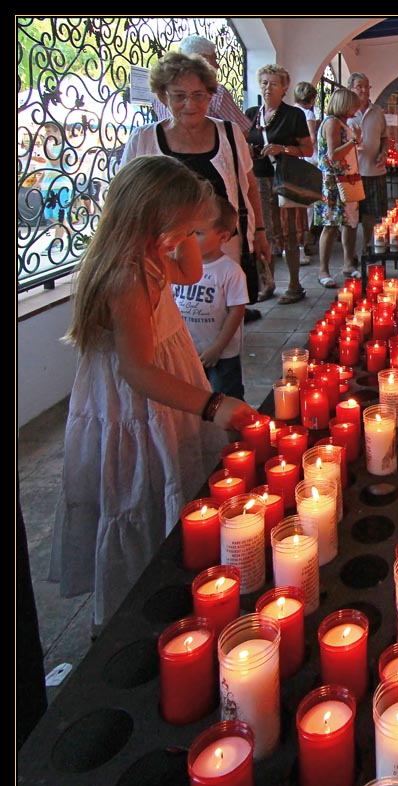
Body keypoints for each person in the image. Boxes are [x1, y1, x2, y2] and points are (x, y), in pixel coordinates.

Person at [49, 156, 257, 635]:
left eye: (192, 230)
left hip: (167, 382)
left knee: (171, 474)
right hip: (136, 401)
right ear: (151, 220)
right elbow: (137, 371)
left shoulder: (153, 254)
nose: (191, 238)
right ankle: (125, 613)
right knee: (139, 487)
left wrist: (185, 230)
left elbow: (190, 273)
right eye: (183, 227)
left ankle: (168, 574)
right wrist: (211, 404)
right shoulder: (127, 276)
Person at [121, 52, 270, 313]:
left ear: (210, 96)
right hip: (165, 253)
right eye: (179, 96)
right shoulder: (143, 140)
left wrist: (259, 232)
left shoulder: (230, 133)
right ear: (163, 96)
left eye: (199, 95)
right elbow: (124, 200)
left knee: (225, 318)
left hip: (225, 247)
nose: (190, 104)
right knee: (171, 321)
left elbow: (249, 187)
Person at [246, 64, 313, 304]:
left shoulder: (293, 115)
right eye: (264, 82)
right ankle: (268, 282)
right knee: (265, 231)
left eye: (274, 84)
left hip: (285, 178)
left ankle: (295, 285)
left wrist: (282, 148)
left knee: (289, 231)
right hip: (259, 180)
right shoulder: (252, 113)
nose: (268, 88)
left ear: (284, 88)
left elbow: (308, 149)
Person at [172, 197, 248, 400]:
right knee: (194, 398)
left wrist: (217, 348)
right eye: (187, 231)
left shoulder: (229, 271)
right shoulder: (177, 267)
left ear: (223, 236)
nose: (187, 239)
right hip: (189, 351)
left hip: (221, 355)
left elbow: (236, 312)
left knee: (225, 398)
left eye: (197, 233)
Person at [150, 34, 252, 134]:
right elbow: (242, 131)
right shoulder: (217, 92)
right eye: (214, 59)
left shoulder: (159, 92)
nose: (218, 66)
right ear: (202, 59)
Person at [314, 87, 364, 287]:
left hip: (348, 178)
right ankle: (323, 270)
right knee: (331, 224)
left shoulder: (343, 122)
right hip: (333, 182)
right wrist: (354, 140)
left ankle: (348, 264)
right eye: (354, 105)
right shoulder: (332, 123)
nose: (356, 109)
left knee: (350, 222)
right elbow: (333, 154)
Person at [346, 72, 389, 264]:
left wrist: (384, 152)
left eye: (367, 86)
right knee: (351, 217)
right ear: (351, 89)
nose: (364, 90)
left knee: (371, 215)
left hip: (374, 170)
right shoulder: (346, 112)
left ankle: (367, 248)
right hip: (351, 172)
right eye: (359, 86)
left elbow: (385, 137)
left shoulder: (377, 111)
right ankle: (349, 256)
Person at [294, 80, 320, 265]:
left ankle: (299, 240)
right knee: (308, 204)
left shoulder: (290, 112)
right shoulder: (308, 114)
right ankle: (305, 240)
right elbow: (311, 138)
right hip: (308, 160)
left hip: (296, 160)